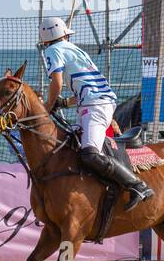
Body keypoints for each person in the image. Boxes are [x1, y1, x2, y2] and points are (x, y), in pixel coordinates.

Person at [40, 16, 154, 211]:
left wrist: (47, 107)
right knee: (71, 145)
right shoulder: (77, 51)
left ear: (45, 39)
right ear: (65, 35)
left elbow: (56, 83)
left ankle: (138, 186)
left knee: (90, 154)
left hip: (95, 107)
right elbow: (90, 87)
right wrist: (65, 102)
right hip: (94, 104)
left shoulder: (52, 50)